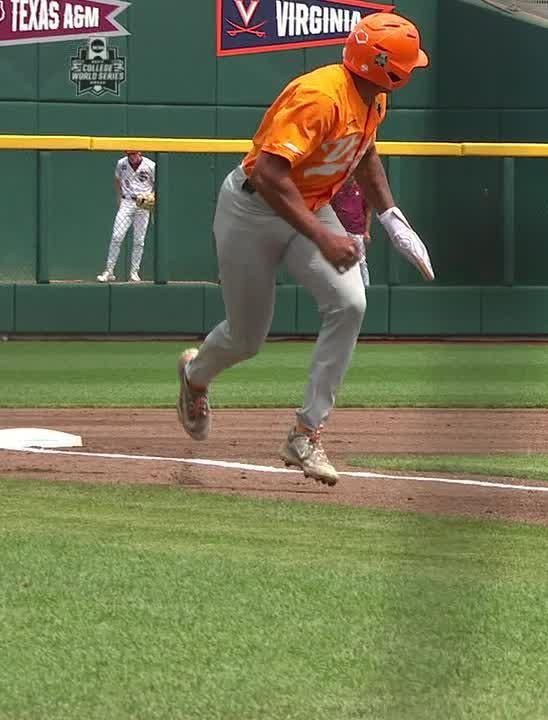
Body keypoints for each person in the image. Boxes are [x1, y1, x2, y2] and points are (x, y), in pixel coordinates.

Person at [175, 13, 435, 486]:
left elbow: (365, 154)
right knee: (246, 339)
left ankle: (305, 433)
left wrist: (391, 217)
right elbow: (268, 175)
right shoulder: (320, 96)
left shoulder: (372, 99)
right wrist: (324, 236)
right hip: (252, 211)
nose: (412, 70)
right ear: (387, 68)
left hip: (310, 207)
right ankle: (195, 377)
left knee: (350, 303)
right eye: (407, 64)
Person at [97, 150, 155, 284]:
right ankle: (109, 271)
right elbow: (117, 179)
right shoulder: (121, 163)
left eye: (134, 154)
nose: (132, 156)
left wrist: (152, 197)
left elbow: (158, 183)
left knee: (139, 240)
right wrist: (119, 198)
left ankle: (134, 273)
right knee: (117, 236)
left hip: (143, 204)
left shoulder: (151, 165)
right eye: (129, 154)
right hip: (127, 202)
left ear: (140, 153)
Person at [330, 176, 373, 287]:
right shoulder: (337, 189)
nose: (350, 177)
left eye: (353, 175)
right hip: (340, 232)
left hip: (357, 231)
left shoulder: (361, 190)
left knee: (361, 260)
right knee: (340, 259)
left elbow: (368, 211)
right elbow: (331, 208)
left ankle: (366, 286)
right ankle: (341, 286)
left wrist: (367, 231)